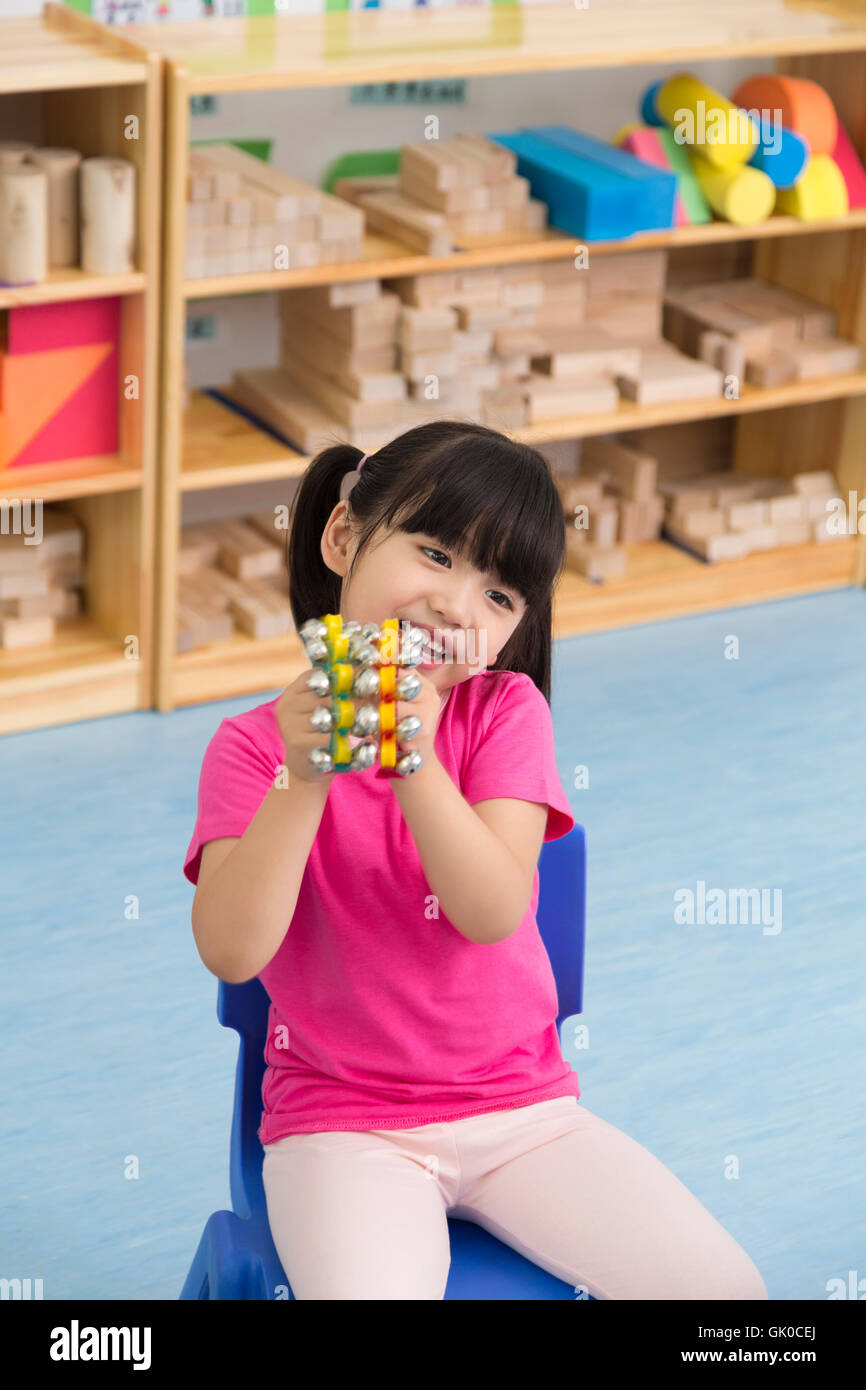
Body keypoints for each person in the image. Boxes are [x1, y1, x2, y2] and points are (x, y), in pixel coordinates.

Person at [184, 419, 767, 1301]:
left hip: (523, 1112)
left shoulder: (506, 714)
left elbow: (491, 909)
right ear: (344, 538)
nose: (457, 606)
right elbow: (232, 951)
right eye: (433, 553)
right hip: (344, 1126)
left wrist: (410, 751)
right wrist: (303, 776)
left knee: (730, 1300)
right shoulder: (249, 747)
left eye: (500, 597)